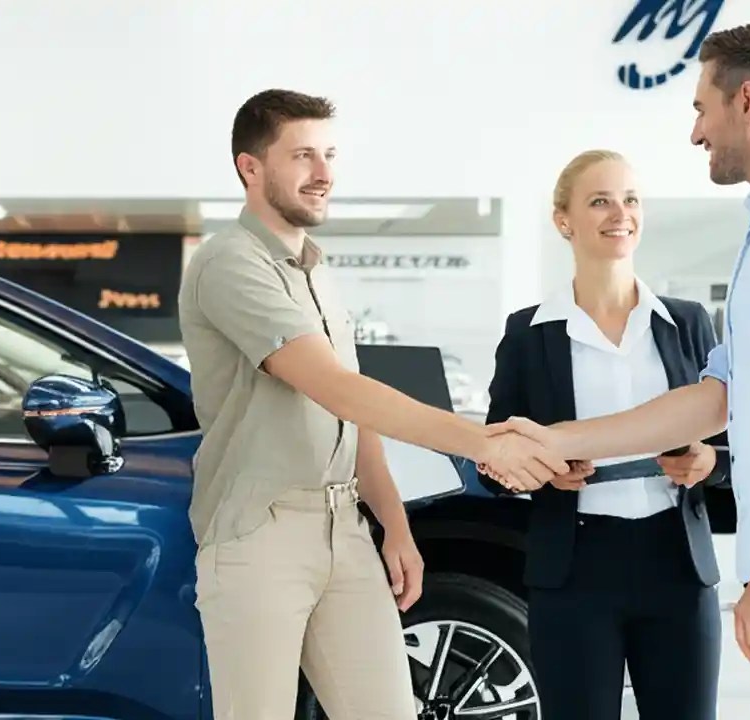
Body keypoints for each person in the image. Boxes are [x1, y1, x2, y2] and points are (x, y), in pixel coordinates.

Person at [489, 22, 750, 720]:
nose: (695, 133)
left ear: (746, 101)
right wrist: (548, 442)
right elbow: (710, 402)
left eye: (700, 108)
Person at [177, 88, 568, 720]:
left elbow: (353, 414)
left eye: (329, 154)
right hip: (259, 533)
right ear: (251, 167)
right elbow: (332, 385)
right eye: (303, 154)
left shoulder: (317, 272)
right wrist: (482, 441)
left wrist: (396, 525)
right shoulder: (229, 262)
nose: (325, 173)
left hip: (344, 528)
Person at [480, 149, 729, 720]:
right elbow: (494, 464)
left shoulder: (687, 322)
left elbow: (737, 441)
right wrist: (542, 471)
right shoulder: (528, 334)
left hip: (677, 564)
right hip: (574, 570)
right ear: (563, 219)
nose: (621, 213)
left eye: (631, 199)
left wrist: (708, 463)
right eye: (600, 201)